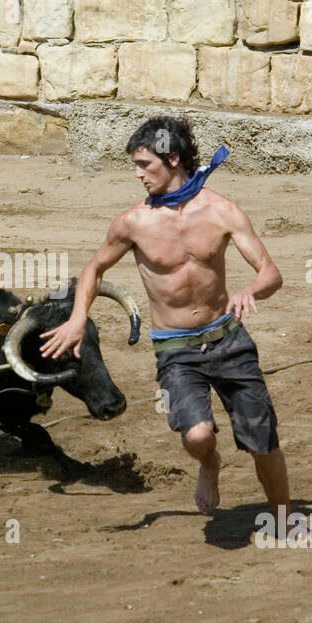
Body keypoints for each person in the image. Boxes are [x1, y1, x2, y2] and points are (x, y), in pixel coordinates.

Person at [40, 115, 290, 524]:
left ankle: (283, 521)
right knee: (197, 435)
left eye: (145, 165)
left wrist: (250, 291)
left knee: (263, 442)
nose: (138, 175)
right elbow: (92, 269)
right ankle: (210, 463)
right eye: (136, 166)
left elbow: (271, 273)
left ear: (172, 158)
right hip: (176, 350)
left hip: (229, 340)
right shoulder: (133, 222)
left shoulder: (222, 211)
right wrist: (77, 318)